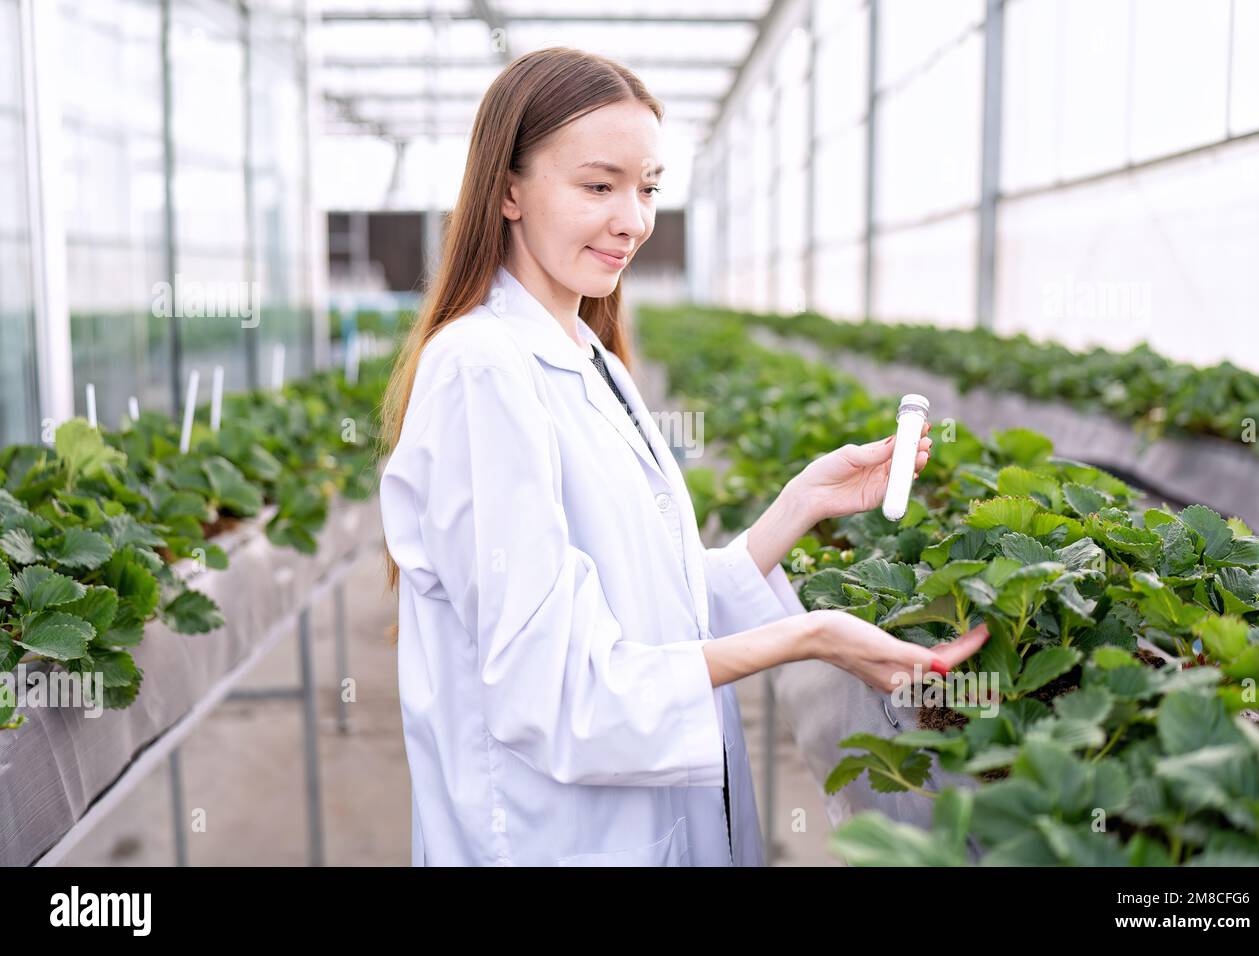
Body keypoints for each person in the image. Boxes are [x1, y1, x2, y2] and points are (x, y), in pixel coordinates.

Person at [377, 47, 989, 867]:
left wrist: (798, 506)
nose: (634, 218)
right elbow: (557, 686)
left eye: (649, 187)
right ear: (509, 190)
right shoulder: (482, 370)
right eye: (599, 185)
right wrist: (806, 637)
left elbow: (646, 602)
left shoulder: (588, 351)